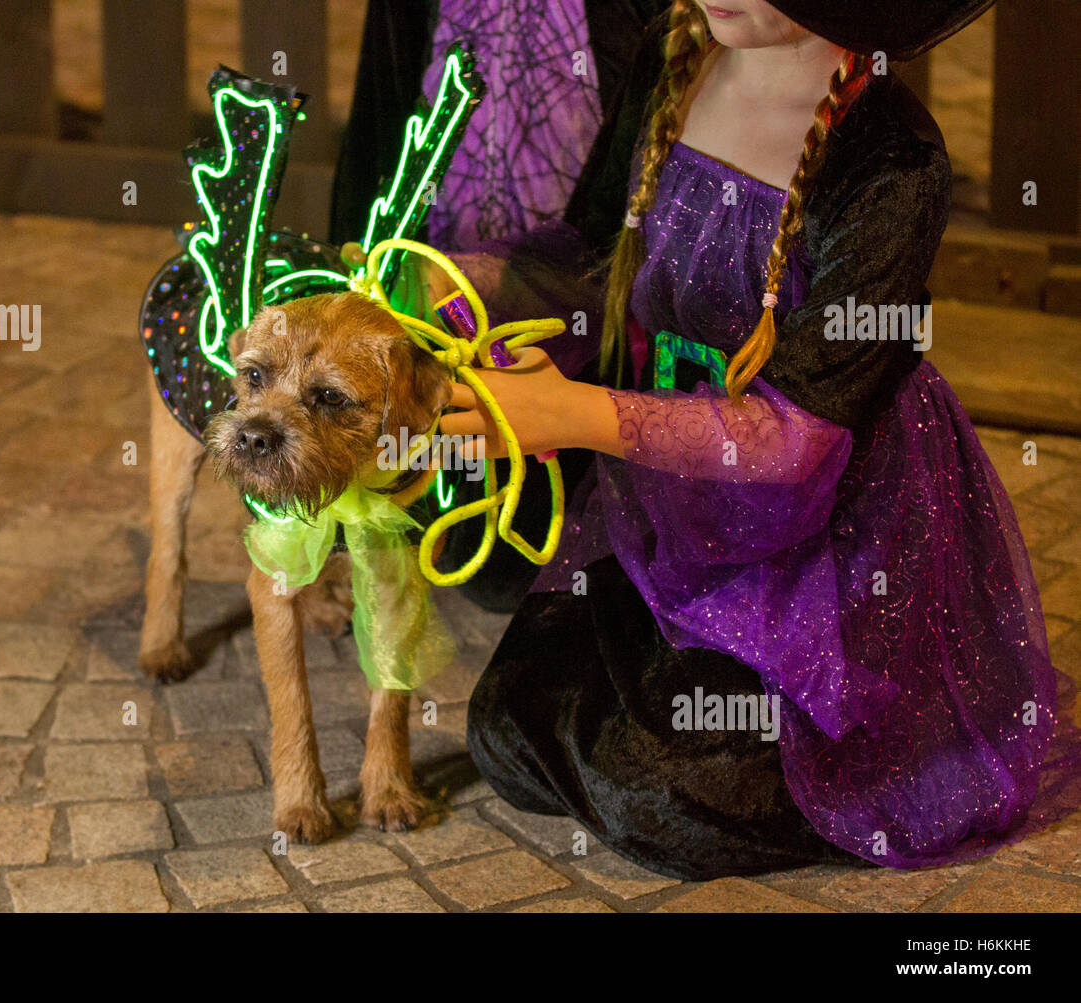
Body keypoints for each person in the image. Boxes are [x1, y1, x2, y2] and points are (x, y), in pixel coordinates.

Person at [410, 0, 1081, 879]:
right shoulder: (677, 60)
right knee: (509, 722)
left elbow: (793, 439)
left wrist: (570, 415)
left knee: (650, 789)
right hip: (677, 494)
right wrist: (449, 285)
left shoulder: (892, 157)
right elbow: (590, 256)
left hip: (826, 541)